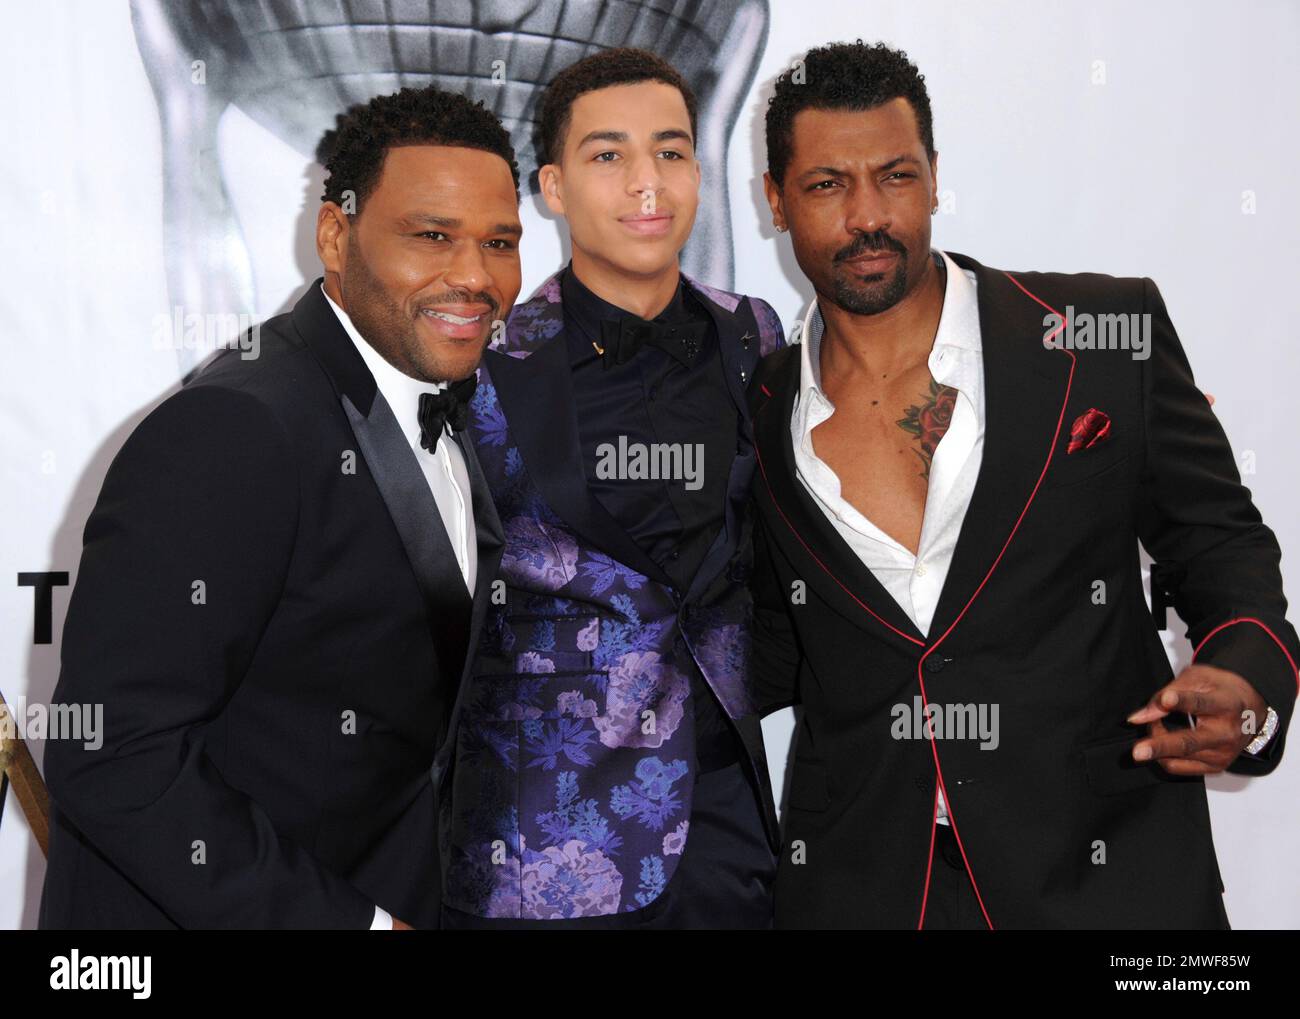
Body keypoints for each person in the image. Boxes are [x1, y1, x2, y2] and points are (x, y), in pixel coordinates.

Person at [749, 41, 1299, 929]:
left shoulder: (1098, 333)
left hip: (1112, 882)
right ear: (774, 201)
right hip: (868, 888)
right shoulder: (759, 405)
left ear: (934, 177)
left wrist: (1246, 676)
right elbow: (771, 640)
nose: (866, 216)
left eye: (895, 175)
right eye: (825, 185)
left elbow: (1221, 541)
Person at [39, 86, 522, 928]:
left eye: (499, 242)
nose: (475, 276)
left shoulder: (444, 396)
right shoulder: (235, 426)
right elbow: (113, 750)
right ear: (335, 236)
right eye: (432, 235)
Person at [440, 47, 783, 927]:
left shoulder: (752, 337)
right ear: (551, 186)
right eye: (608, 155)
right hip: (539, 841)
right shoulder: (484, 360)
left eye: (670, 152)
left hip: (724, 831)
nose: (647, 182)